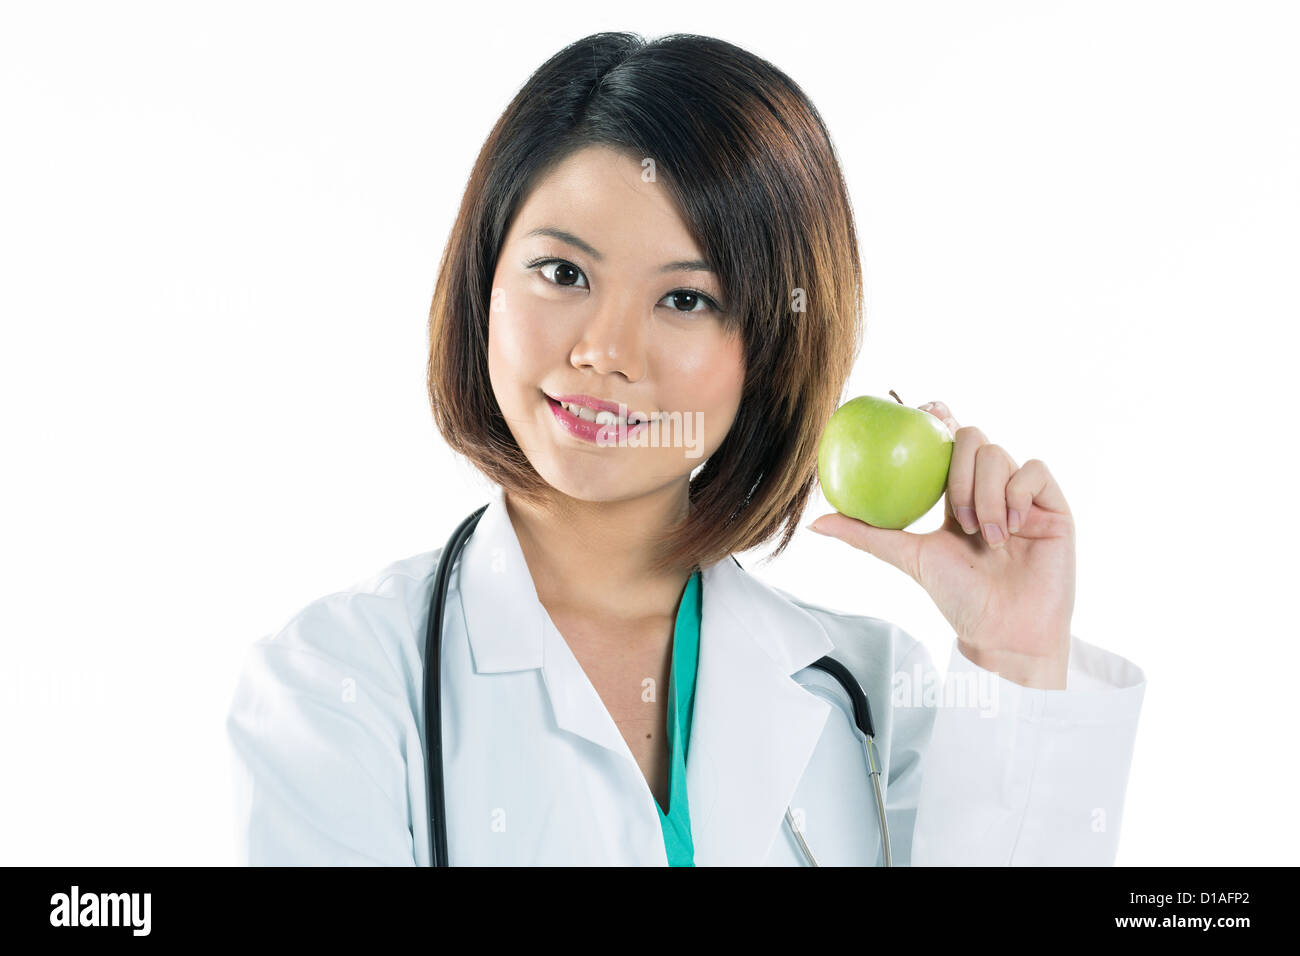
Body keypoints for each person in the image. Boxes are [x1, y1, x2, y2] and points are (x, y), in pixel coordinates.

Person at [225, 31, 1146, 866]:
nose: (604, 351)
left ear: (772, 346)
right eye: (562, 272)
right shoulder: (339, 685)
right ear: (484, 281)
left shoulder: (875, 700)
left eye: (685, 299)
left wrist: (1018, 660)